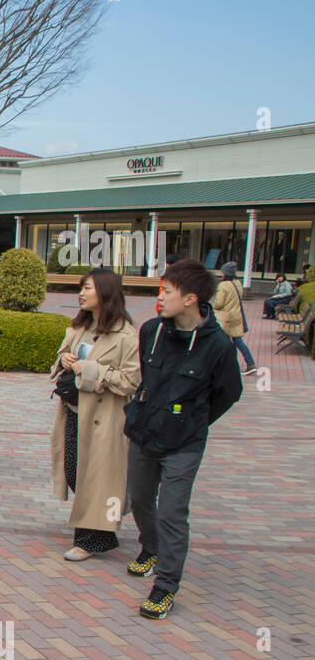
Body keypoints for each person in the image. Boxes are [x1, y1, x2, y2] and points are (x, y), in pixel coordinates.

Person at [123, 259, 243, 619]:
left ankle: (165, 586)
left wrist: (193, 420)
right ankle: (151, 546)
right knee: (141, 499)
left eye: (167, 292)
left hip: (184, 443)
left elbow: (229, 393)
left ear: (190, 299)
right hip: (145, 432)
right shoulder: (151, 331)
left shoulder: (218, 345)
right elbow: (148, 378)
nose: (160, 298)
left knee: (173, 512)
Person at [49, 269, 140, 561]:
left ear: (105, 292)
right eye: (81, 288)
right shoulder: (79, 328)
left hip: (105, 419)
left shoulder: (127, 336)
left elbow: (131, 380)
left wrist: (90, 371)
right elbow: (61, 356)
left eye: (87, 288)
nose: (82, 293)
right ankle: (101, 529)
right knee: (74, 471)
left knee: (96, 477)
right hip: (74, 412)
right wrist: (64, 359)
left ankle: (91, 539)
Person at [212, 262, 257, 375]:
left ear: (225, 273)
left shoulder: (223, 285)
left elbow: (218, 303)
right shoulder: (238, 284)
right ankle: (250, 363)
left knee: (221, 341)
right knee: (238, 341)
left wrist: (213, 306)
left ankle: (223, 365)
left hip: (225, 318)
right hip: (237, 316)